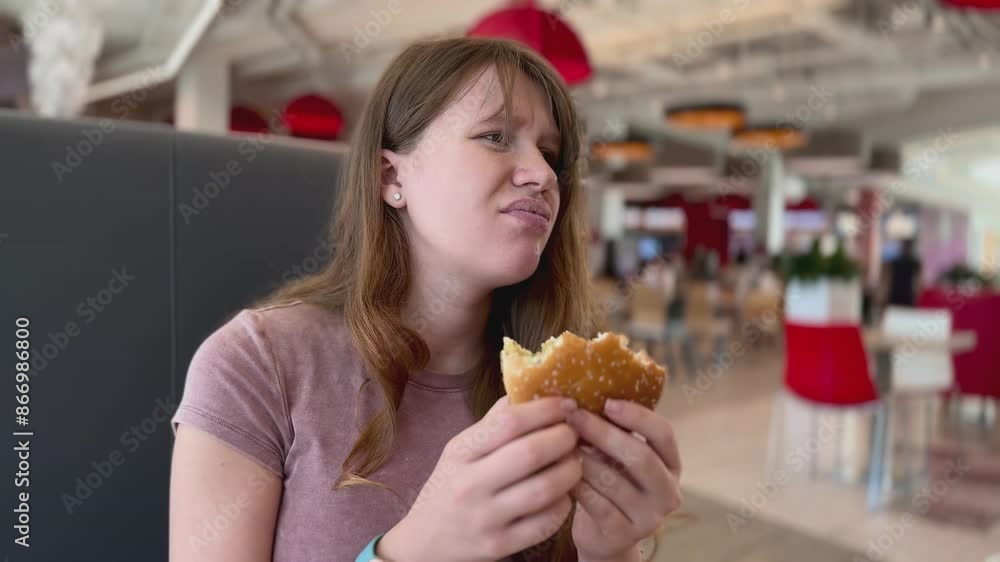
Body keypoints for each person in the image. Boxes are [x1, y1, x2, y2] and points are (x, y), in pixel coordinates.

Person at [169, 38, 681, 562]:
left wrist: (610, 554)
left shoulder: (565, 385)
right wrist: (412, 552)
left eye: (550, 154)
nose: (544, 175)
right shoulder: (256, 366)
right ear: (391, 177)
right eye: (496, 136)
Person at [883, 238, 922, 308]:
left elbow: (918, 280)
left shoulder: (913, 263)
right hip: (900, 293)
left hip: (903, 293)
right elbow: (918, 280)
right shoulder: (897, 262)